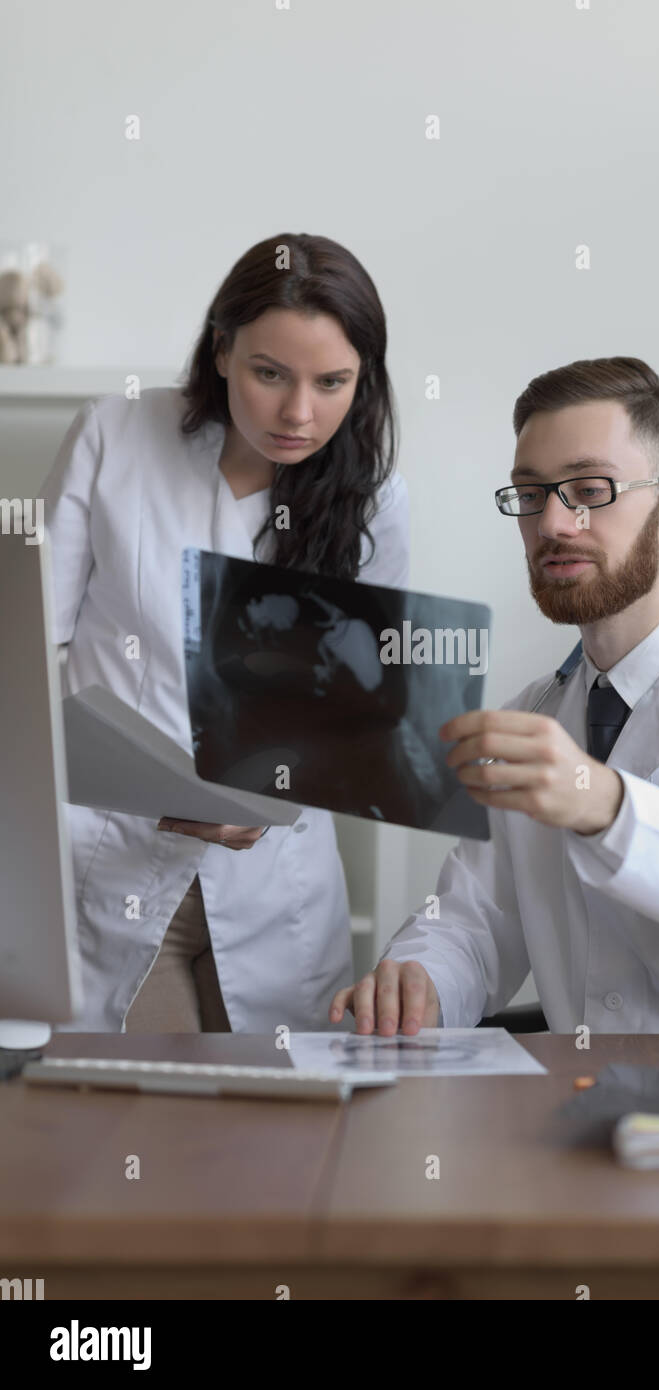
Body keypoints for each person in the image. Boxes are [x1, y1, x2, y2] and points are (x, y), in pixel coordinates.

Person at [330, 356, 659, 1037]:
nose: (552, 522)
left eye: (589, 489)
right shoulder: (534, 718)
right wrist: (419, 980)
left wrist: (603, 806)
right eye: (530, 493)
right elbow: (474, 923)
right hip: (587, 1115)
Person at [41, 232, 409, 1032]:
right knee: (133, 1131)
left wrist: (276, 787)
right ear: (219, 351)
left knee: (274, 1145)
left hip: (278, 887)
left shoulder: (374, 499)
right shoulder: (113, 435)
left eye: (332, 381)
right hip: (114, 868)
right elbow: (31, 644)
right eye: (269, 373)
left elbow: (365, 710)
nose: (298, 412)